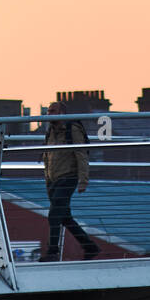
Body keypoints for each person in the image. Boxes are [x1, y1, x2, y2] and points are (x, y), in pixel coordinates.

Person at [41, 100, 100, 261]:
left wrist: (83, 180)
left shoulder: (72, 128)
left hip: (68, 176)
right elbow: (47, 156)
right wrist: (47, 180)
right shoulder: (50, 131)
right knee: (65, 216)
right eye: (48, 111)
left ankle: (52, 252)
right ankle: (90, 246)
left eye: (52, 111)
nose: (49, 114)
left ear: (62, 113)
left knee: (54, 215)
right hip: (53, 179)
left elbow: (81, 153)